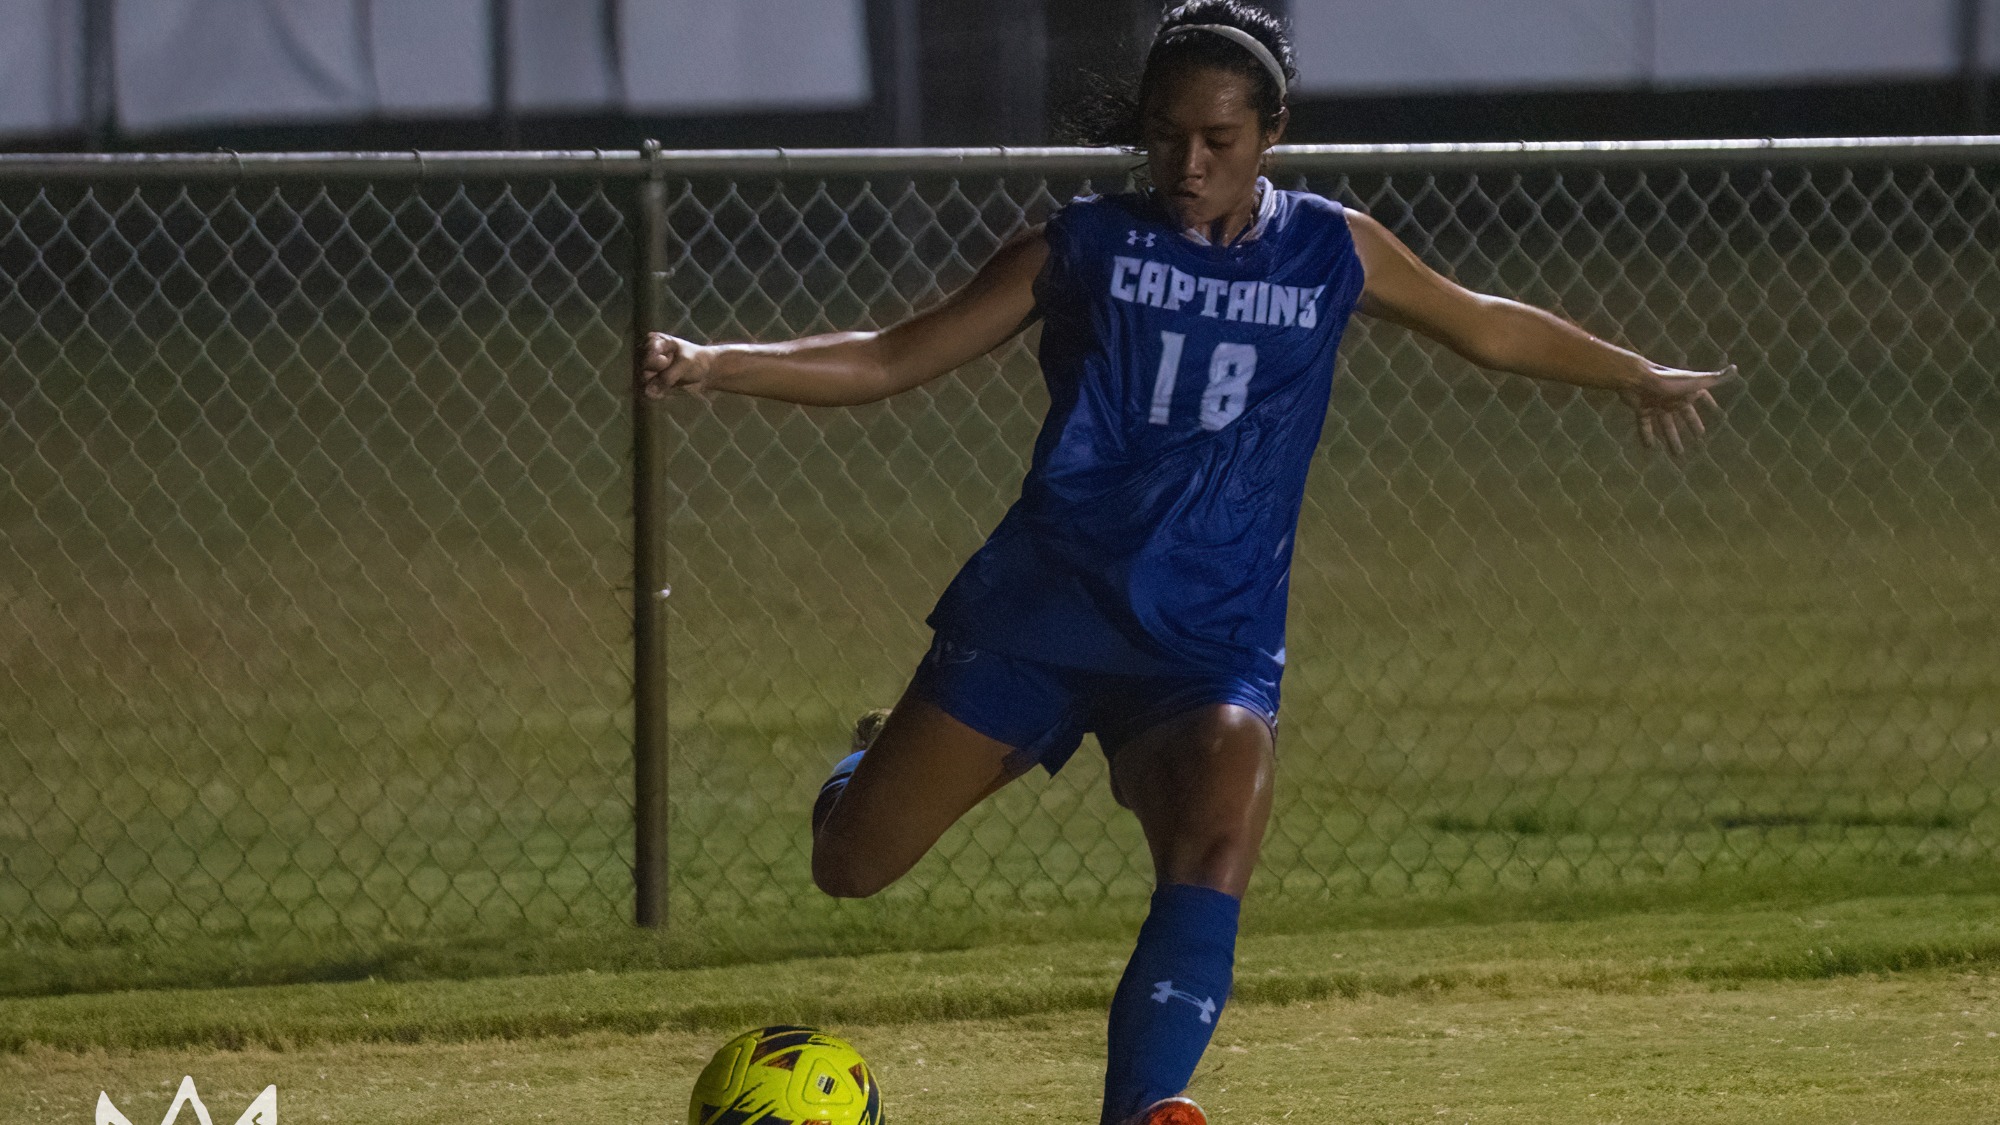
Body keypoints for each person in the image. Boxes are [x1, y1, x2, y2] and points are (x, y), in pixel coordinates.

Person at [642, 3, 1730, 1122]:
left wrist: (1633, 373)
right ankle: (863, 763)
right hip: (1043, 612)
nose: (1189, 162)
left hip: (1209, 636)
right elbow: (888, 357)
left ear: (1272, 132)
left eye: (1218, 138)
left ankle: (1146, 1106)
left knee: (1215, 837)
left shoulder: (1332, 250)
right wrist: (717, 362)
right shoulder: (1083, 245)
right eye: (1165, 136)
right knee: (851, 865)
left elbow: (1485, 323)